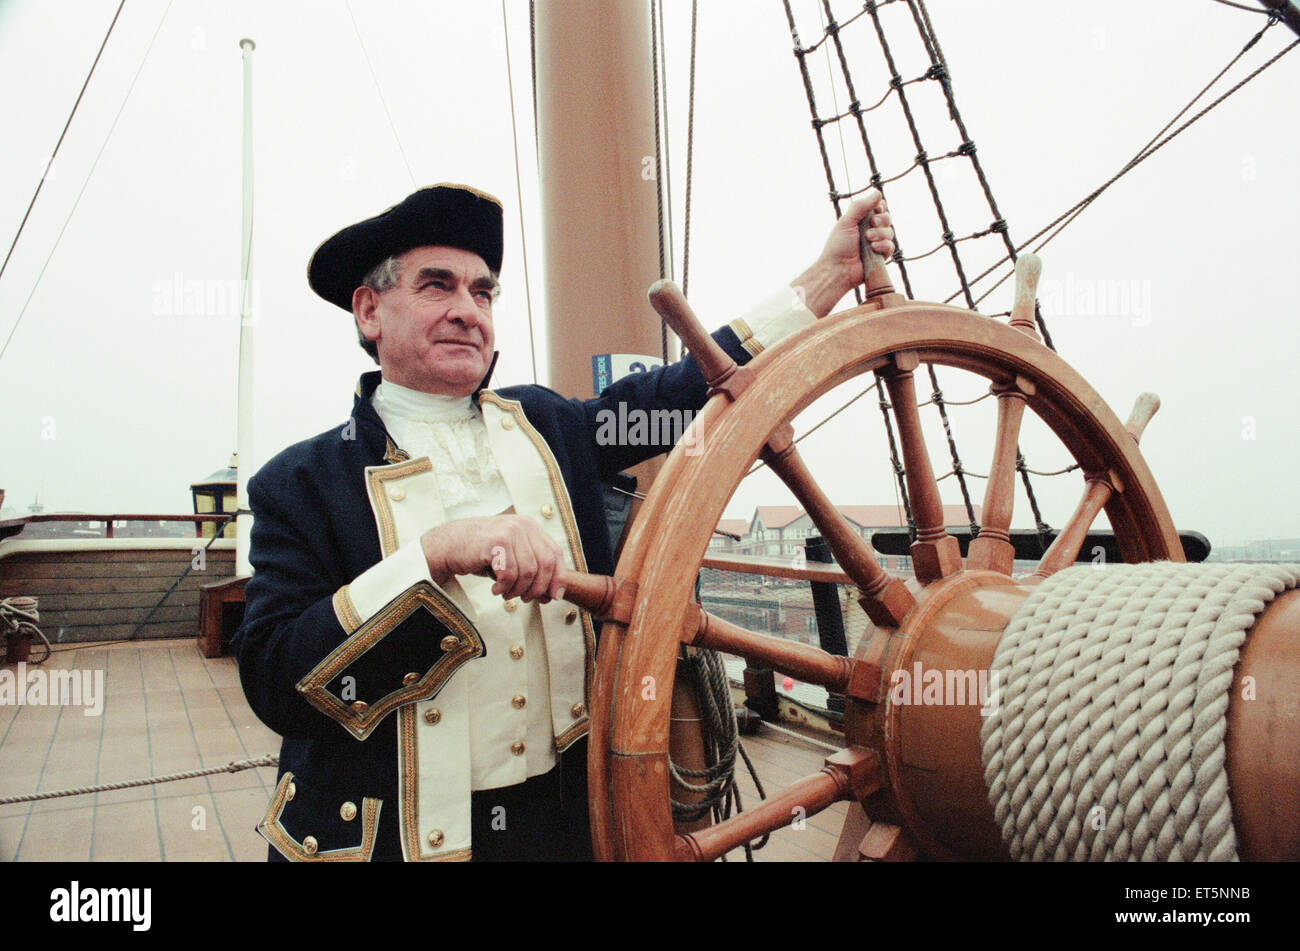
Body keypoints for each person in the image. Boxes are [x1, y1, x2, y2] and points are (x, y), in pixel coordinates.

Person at [232, 182, 894, 862]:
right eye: (438, 286)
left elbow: (687, 385)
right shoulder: (301, 483)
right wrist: (431, 556)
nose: (468, 310)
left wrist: (831, 274)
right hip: (395, 840)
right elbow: (277, 683)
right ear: (369, 311)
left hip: (560, 825)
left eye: (483, 292)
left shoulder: (551, 425)